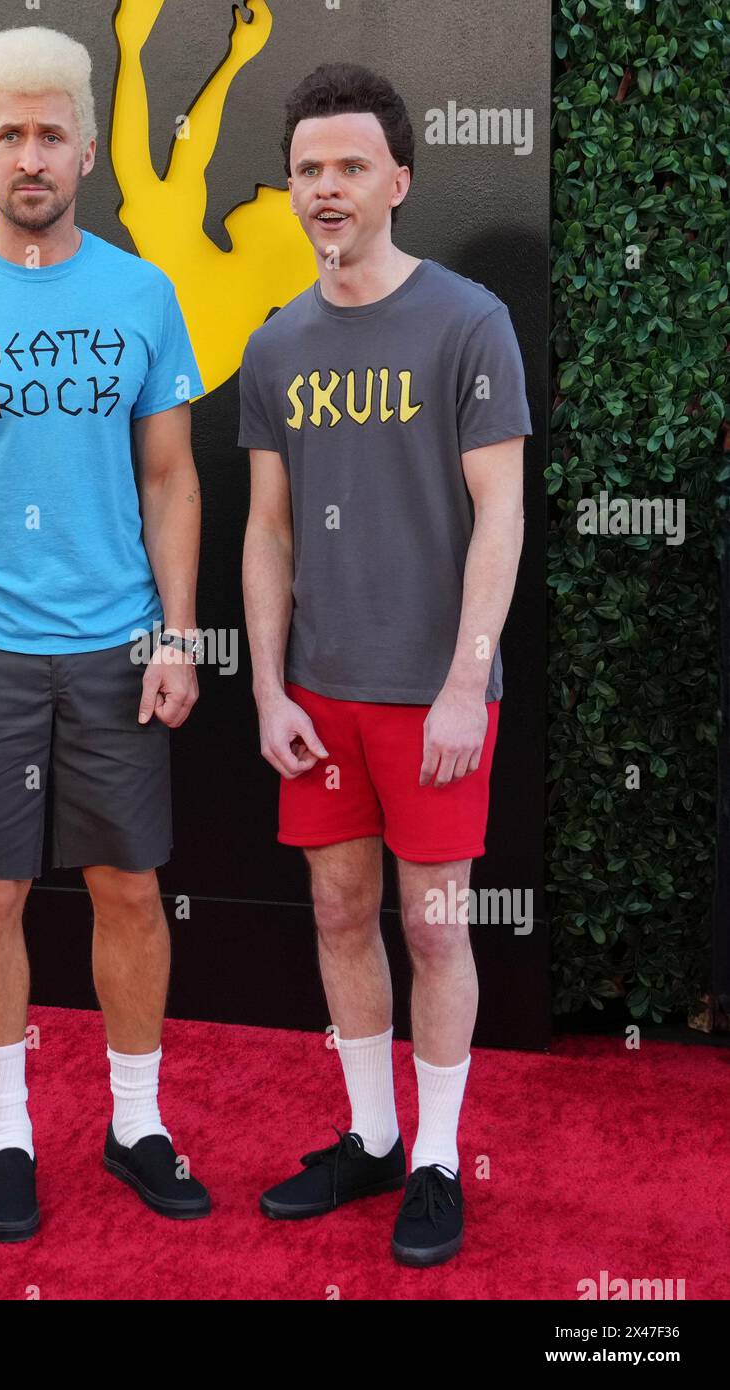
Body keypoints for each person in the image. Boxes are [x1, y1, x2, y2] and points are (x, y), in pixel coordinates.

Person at [0, 26, 209, 1242]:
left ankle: (134, 1124)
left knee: (127, 884)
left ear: (84, 148)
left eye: (50, 132)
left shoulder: (140, 291)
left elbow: (171, 480)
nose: (29, 154)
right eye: (7, 132)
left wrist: (178, 636)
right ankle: (6, 1135)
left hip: (116, 640)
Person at [239, 63, 532, 1267]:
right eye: (307, 168)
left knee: (434, 928)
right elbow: (263, 524)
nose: (324, 187)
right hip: (315, 693)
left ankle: (435, 1157)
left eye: (348, 166)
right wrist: (262, 685)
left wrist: (466, 677)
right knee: (338, 909)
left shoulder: (467, 320)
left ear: (396, 181)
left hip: (433, 698)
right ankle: (367, 1137)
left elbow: (501, 512)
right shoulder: (275, 343)